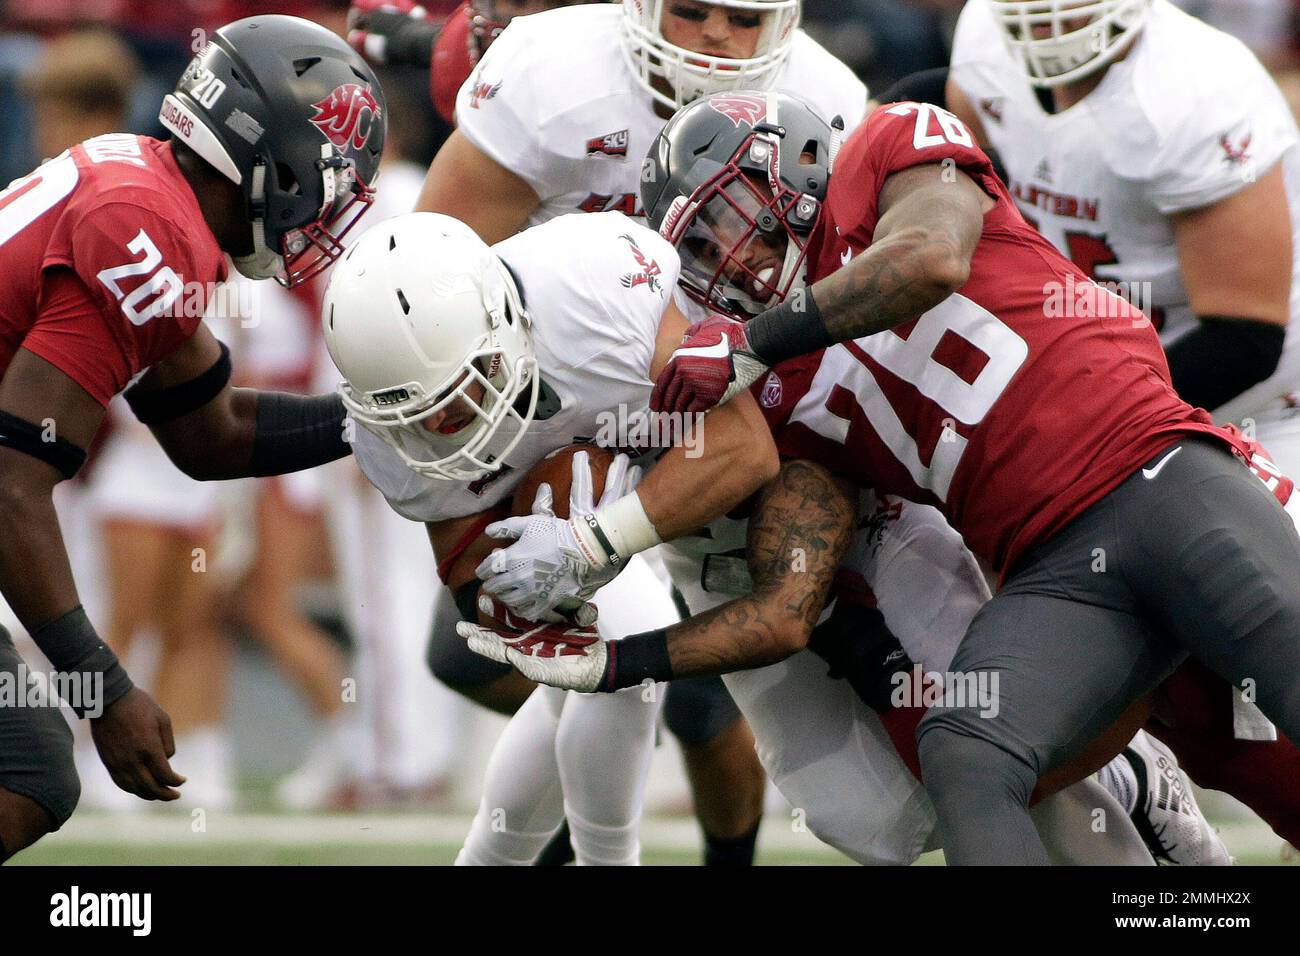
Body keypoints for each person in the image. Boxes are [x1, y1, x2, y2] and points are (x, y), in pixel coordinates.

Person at [484, 89, 1300, 864]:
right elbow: (784, 605)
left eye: (725, 221)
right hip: (1055, 572)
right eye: (697, 249)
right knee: (968, 749)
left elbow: (932, 257)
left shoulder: (890, 149)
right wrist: (610, 629)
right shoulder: (775, 400)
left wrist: (751, 343)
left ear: (790, 172)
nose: (725, 258)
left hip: (1162, 477)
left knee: (1243, 736)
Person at [415, 0, 867, 863]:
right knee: (501, 657)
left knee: (681, 685)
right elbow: (435, 258)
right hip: (564, 404)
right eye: (691, 10)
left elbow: (842, 305)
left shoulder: (830, 100)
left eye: (740, 17)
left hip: (735, 406)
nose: (713, 37)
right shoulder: (556, 68)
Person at [0, 14, 385, 860]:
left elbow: (211, 435)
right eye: (320, 178)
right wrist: (101, 689)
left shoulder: (152, 193)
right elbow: (11, 484)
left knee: (29, 771)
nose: (320, 207)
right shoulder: (150, 231)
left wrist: (390, 418)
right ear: (265, 157)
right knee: (28, 773)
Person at [321, 209, 778, 863]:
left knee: (838, 798)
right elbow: (477, 591)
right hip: (574, 488)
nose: (445, 426)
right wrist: (530, 597)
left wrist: (598, 539)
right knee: (590, 664)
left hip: (680, 457)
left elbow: (739, 448)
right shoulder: (397, 441)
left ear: (500, 328)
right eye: (423, 414)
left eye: (455, 396)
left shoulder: (594, 290)